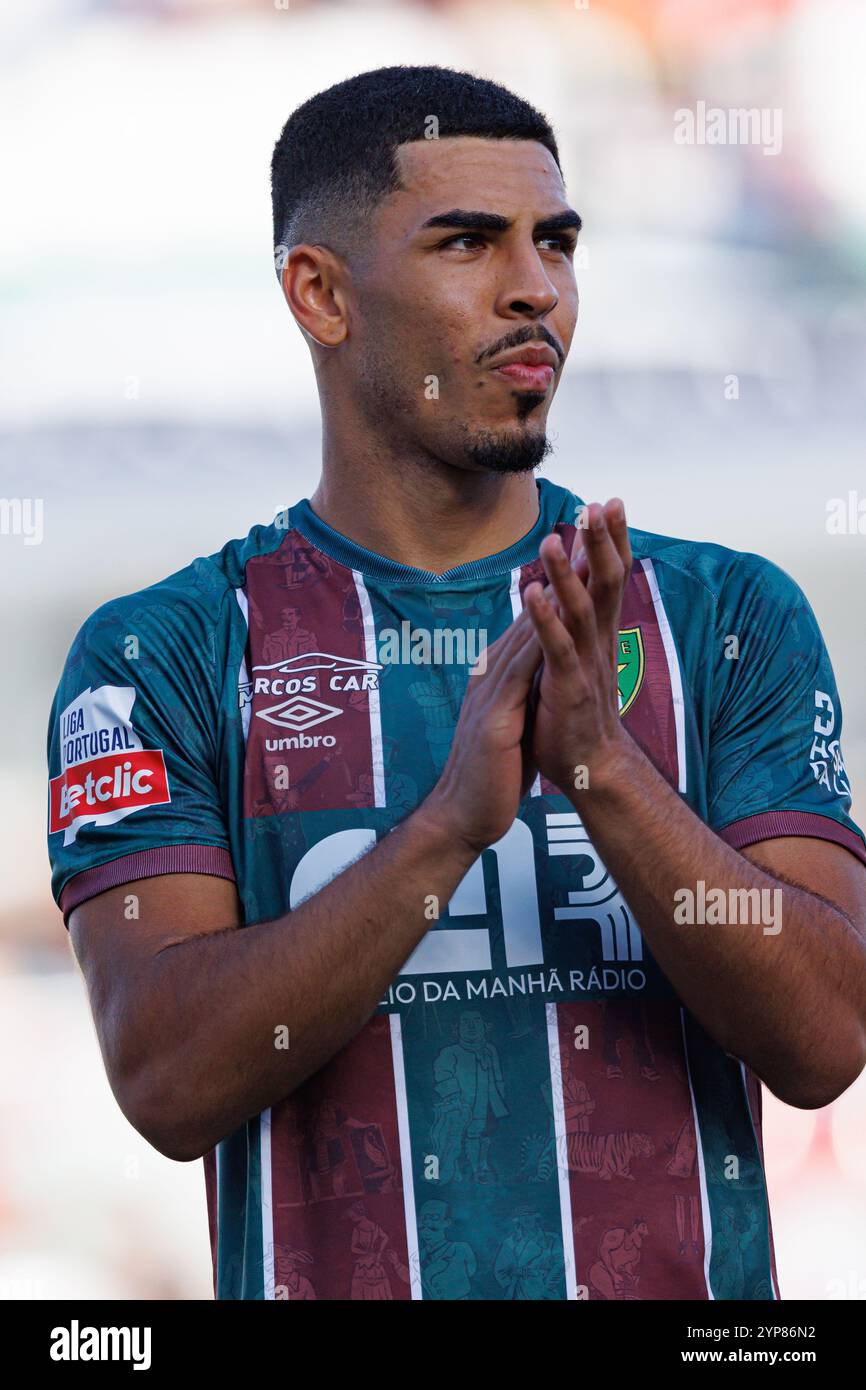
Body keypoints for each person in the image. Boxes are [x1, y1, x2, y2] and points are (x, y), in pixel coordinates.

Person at [47, 65, 866, 1301]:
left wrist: (602, 776)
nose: (534, 286)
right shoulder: (162, 652)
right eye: (467, 242)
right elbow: (168, 1084)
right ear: (318, 294)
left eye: (555, 242)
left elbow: (823, 1042)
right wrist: (442, 832)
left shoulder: (726, 616)